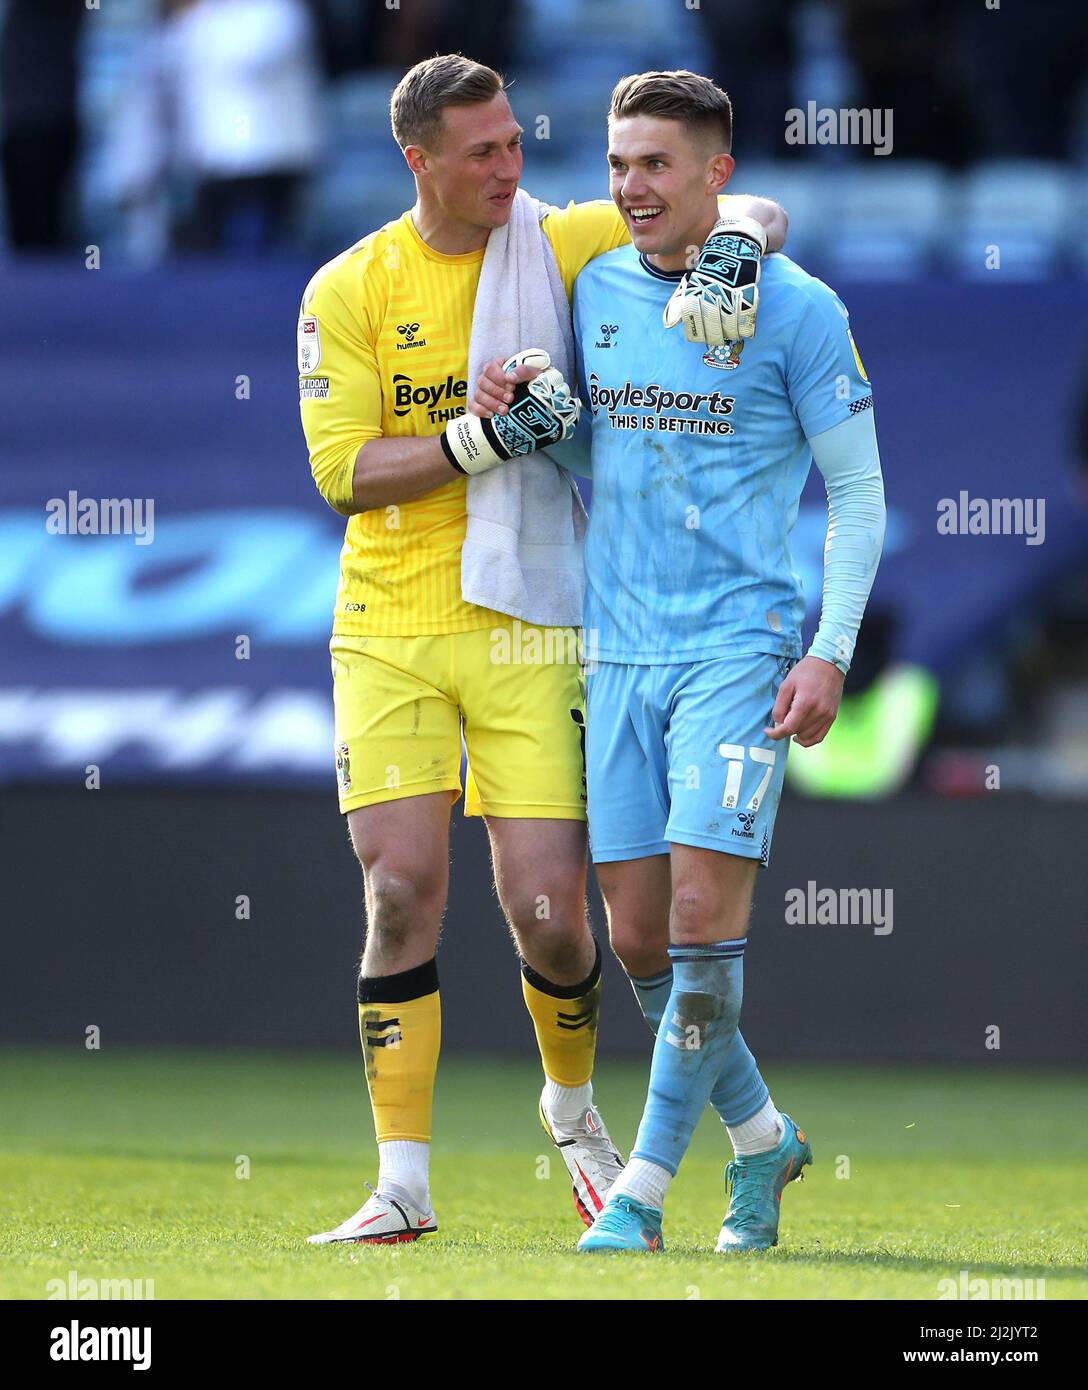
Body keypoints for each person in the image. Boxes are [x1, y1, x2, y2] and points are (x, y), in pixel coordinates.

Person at [298, 54, 787, 1244]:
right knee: (401, 891)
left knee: (552, 917)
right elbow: (340, 474)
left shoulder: (553, 238)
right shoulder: (351, 285)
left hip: (534, 621)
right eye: (482, 151)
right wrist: (484, 437)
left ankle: (570, 1112)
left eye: (515, 142)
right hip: (393, 623)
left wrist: (734, 253)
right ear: (418, 159)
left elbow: (754, 207)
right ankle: (401, 1181)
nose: (510, 168)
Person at [470, 69, 885, 1254]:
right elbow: (614, 443)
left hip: (737, 654)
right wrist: (539, 409)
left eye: (656, 164)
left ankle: (645, 1193)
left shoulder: (798, 310)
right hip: (620, 657)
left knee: (703, 920)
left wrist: (828, 651)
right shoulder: (596, 288)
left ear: (719, 173)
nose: (630, 187)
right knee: (643, 941)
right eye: (616, 165)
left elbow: (855, 494)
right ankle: (763, 1141)